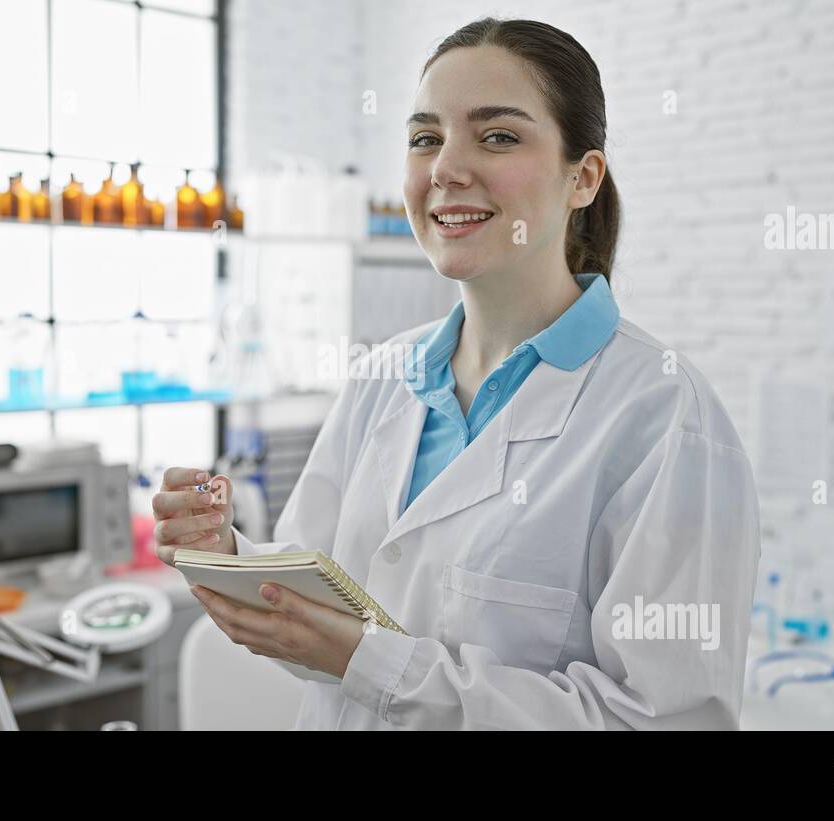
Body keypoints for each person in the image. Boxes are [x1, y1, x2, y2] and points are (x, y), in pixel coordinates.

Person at [152, 17, 760, 730]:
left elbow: (662, 720)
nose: (446, 168)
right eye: (425, 138)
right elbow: (313, 622)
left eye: (497, 135)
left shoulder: (664, 416)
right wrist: (227, 554)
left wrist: (375, 663)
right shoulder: (383, 378)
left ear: (582, 178)